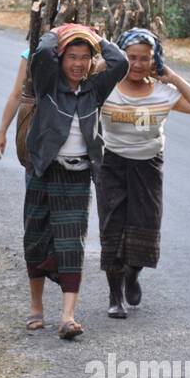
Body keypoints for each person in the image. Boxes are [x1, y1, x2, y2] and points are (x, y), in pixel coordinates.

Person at [23, 24, 128, 339]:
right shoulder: (48, 84)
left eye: (85, 57)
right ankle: (36, 309)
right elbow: (41, 52)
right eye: (72, 56)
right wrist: (60, 31)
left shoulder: (95, 89)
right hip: (43, 170)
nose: (78, 63)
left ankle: (68, 317)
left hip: (78, 175)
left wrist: (97, 38)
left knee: (72, 244)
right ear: (61, 58)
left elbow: (120, 62)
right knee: (36, 240)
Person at [97, 28, 190, 316]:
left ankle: (133, 274)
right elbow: (82, 76)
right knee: (112, 226)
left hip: (148, 166)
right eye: (130, 58)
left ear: (154, 60)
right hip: (112, 164)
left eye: (144, 59)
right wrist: (106, 64)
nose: (136, 65)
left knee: (146, 225)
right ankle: (115, 297)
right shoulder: (106, 87)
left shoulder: (163, 93)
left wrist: (173, 77)